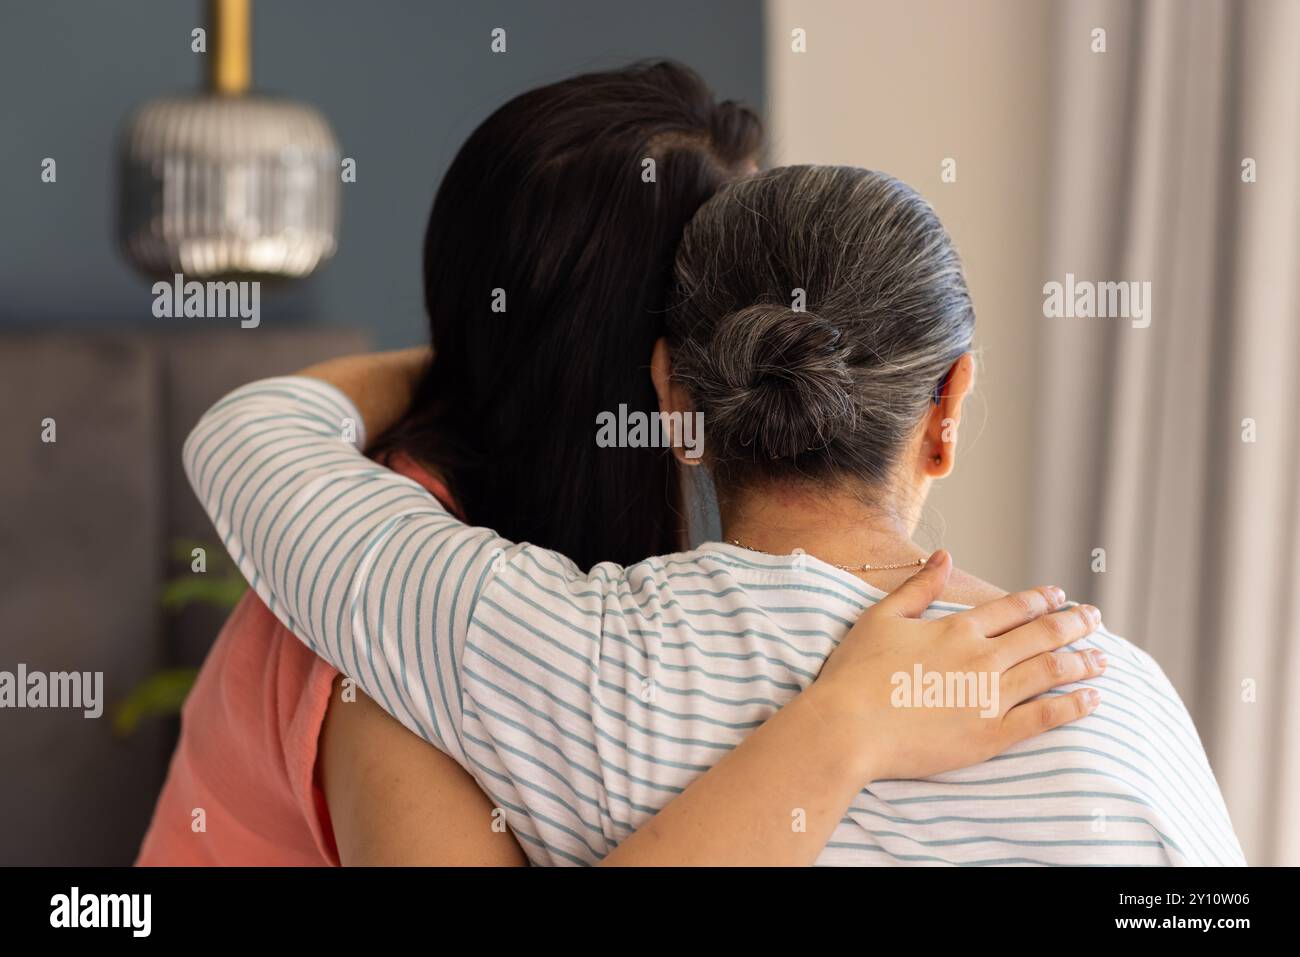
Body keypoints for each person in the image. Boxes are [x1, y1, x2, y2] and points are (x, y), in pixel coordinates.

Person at [138, 65, 1085, 867]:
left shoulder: (658, 567)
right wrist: (845, 729)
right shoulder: (394, 639)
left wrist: (490, 363)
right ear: (660, 378)